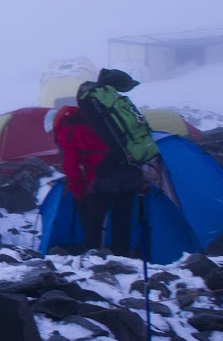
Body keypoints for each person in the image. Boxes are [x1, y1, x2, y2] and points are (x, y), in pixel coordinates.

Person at [75, 69, 160, 256]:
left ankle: (93, 256)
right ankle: (121, 255)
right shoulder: (117, 104)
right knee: (122, 218)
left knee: (95, 218)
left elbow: (108, 139)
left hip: (109, 171)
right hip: (131, 168)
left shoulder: (96, 105)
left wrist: (101, 169)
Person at [48, 105, 108, 250]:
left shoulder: (66, 133)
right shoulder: (92, 122)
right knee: (119, 220)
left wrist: (79, 193)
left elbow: (71, 167)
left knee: (91, 220)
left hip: (97, 180)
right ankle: (121, 254)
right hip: (118, 172)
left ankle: (94, 255)